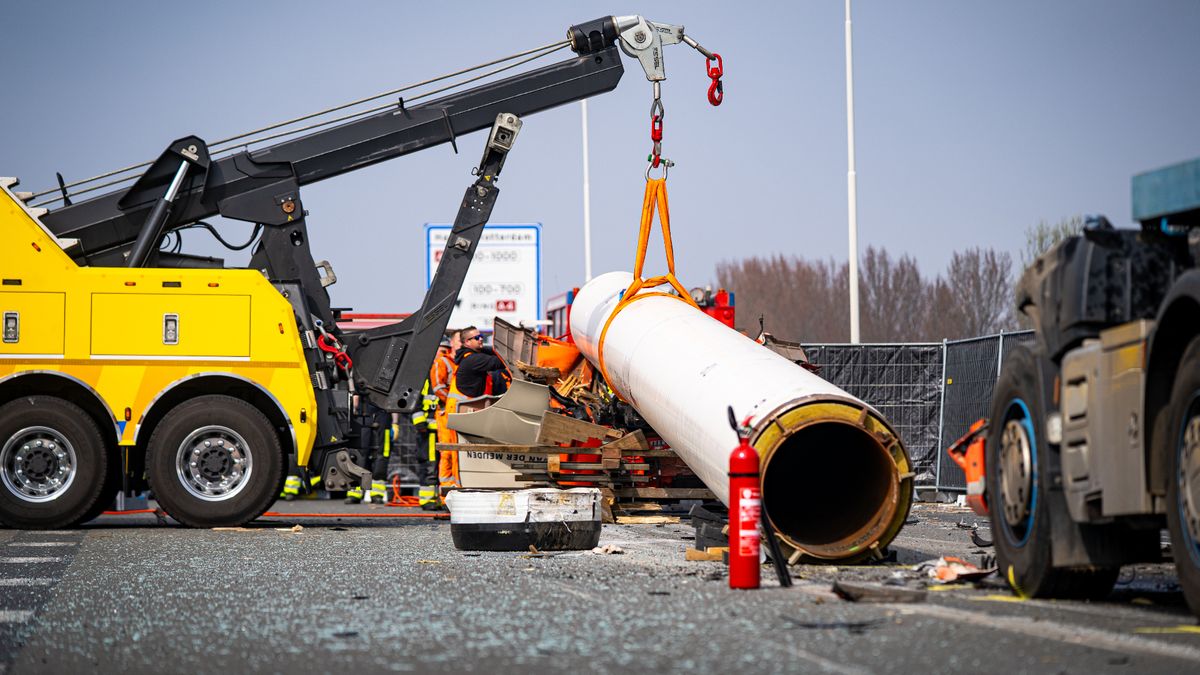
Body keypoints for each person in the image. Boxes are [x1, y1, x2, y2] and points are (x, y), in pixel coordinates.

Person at [452, 326, 510, 398]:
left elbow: (489, 350)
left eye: (481, 336)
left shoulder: (466, 355)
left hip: (470, 403)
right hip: (466, 405)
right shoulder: (473, 359)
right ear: (467, 342)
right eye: (477, 338)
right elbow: (499, 362)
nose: (481, 339)